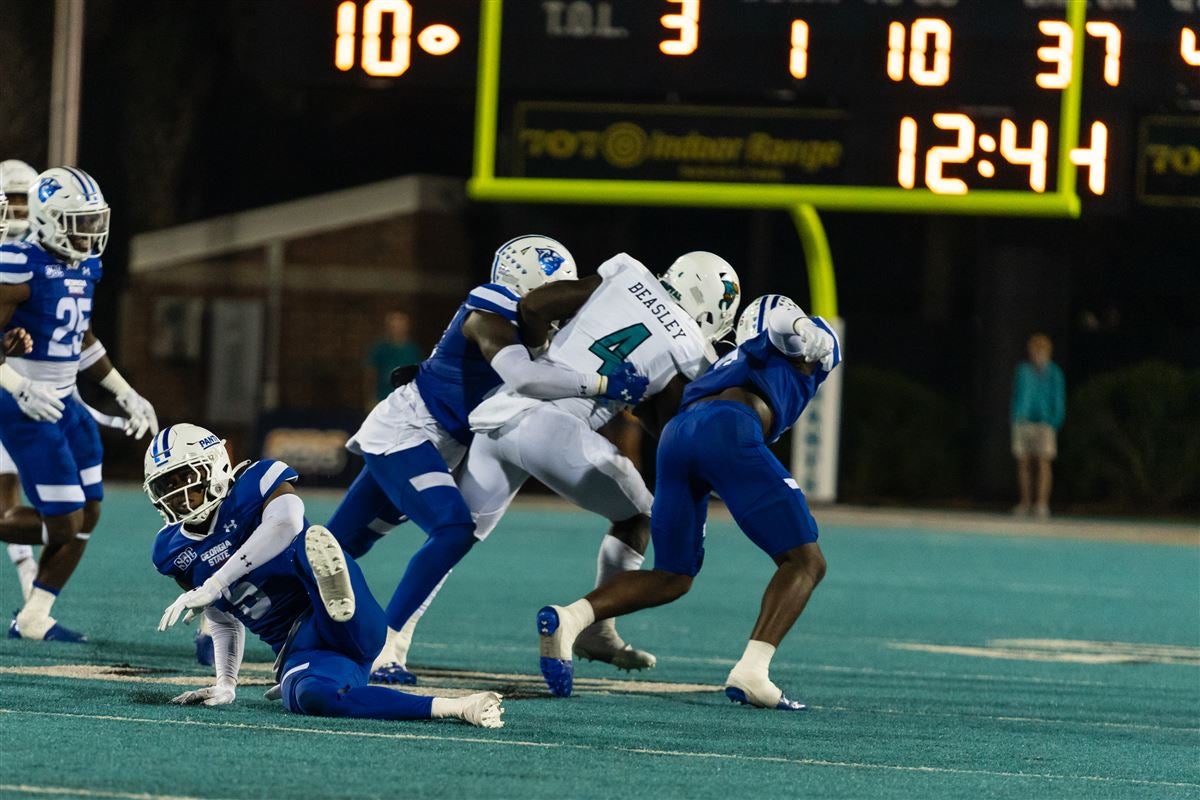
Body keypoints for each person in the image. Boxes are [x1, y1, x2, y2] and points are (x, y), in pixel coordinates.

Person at [324, 235, 648, 684]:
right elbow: (524, 377)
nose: (564, 301)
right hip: (409, 431)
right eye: (559, 288)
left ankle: (228, 608)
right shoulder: (491, 307)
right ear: (533, 282)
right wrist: (600, 383)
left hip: (435, 440)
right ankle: (385, 650)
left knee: (343, 545)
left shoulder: (530, 325)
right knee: (453, 529)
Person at [536, 294, 841, 711]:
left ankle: (571, 618)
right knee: (806, 562)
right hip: (729, 428)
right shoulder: (790, 339)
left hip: (678, 436)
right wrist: (805, 329)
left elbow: (649, 407)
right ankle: (752, 671)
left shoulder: (725, 362)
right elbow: (782, 316)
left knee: (673, 575)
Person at [440, 251, 738, 673]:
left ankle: (392, 644)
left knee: (452, 537)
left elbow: (534, 305)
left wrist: (541, 353)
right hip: (555, 430)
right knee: (638, 515)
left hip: (500, 411)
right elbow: (673, 431)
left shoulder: (627, 274)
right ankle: (594, 627)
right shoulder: (690, 350)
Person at [147, 423, 503, 727]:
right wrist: (226, 683)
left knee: (307, 543)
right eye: (167, 486)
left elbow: (286, 521)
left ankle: (333, 590)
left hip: (345, 617)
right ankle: (456, 707)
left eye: (186, 479)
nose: (178, 496)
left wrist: (216, 581)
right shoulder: (173, 551)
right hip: (301, 647)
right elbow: (223, 620)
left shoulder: (255, 481)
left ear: (216, 467)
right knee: (311, 696)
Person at [0, 167, 158, 642]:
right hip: (26, 402)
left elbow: (80, 338)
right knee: (64, 524)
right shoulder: (17, 263)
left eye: (94, 221)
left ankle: (34, 615)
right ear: (49, 221)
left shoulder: (86, 265)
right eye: (78, 222)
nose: (90, 233)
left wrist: (123, 390)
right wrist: (17, 386)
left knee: (89, 512)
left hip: (66, 398)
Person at [1, 159, 40, 598]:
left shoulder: (43, 256)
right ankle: (32, 581)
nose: (16, 211)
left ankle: (34, 585)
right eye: (8, 200)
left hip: (31, 382)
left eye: (22, 201)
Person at [1011, 332, 1065, 519]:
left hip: (1045, 423)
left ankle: (1042, 504)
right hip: (1023, 421)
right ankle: (1025, 503)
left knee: (1043, 463)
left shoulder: (1054, 373)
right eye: (1033, 351)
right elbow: (1017, 395)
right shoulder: (1023, 371)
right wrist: (1016, 417)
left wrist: (1054, 421)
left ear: (1047, 352)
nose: (1036, 354)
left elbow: (1058, 399)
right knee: (1023, 462)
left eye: (1040, 351)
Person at [364, 310, 422, 408]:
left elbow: (419, 376)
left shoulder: (413, 350)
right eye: (394, 322)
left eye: (401, 322)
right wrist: (370, 399)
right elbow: (370, 374)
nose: (397, 326)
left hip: (407, 402)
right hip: (383, 400)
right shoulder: (379, 349)